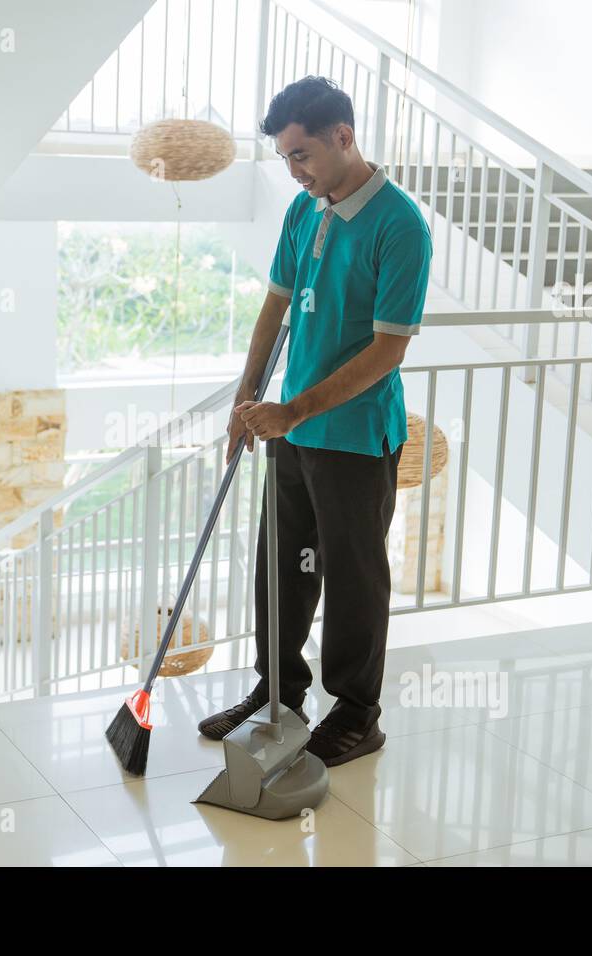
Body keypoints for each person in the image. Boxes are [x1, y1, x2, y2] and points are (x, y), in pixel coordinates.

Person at [198, 76, 433, 767]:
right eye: (284, 158)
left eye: (301, 154)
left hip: (355, 440)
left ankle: (358, 714)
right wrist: (248, 405)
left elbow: (387, 350)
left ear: (343, 136)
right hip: (290, 433)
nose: (294, 171)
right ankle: (279, 693)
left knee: (354, 576)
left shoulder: (400, 225)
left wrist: (293, 408)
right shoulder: (305, 212)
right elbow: (274, 308)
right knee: (283, 567)